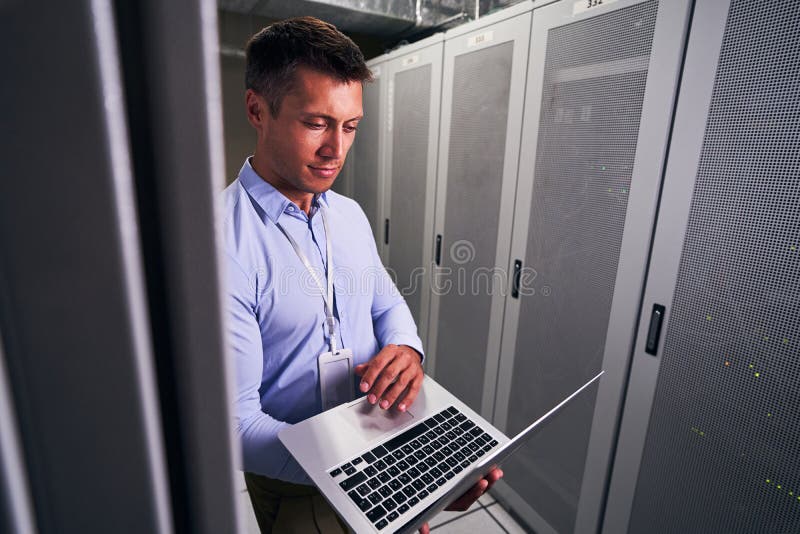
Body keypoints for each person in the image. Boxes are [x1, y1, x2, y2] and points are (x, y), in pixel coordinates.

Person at [222, 16, 502, 533]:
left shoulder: (347, 215)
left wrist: (406, 348)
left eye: (350, 126)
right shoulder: (221, 244)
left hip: (374, 448)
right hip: (298, 478)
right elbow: (236, 424)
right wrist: (380, 475)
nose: (337, 149)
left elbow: (385, 301)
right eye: (315, 123)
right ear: (257, 110)